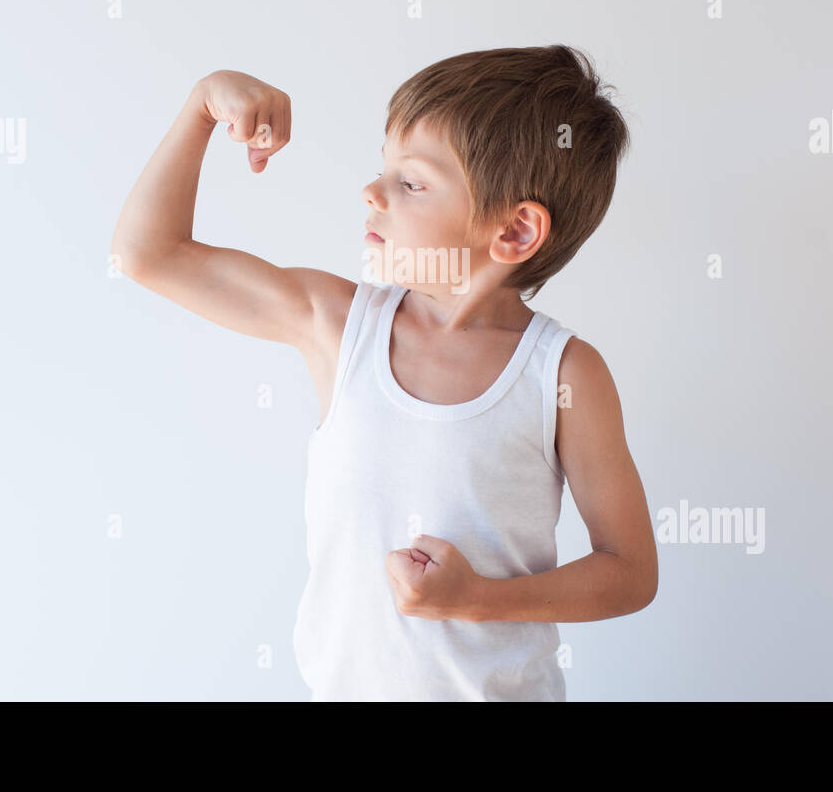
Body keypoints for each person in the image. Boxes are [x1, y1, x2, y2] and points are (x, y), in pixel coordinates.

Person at [111, 45, 658, 701]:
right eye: (384, 167)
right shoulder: (339, 325)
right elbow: (148, 254)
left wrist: (479, 599)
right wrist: (202, 106)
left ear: (514, 232)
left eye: (411, 182)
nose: (372, 192)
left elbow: (628, 571)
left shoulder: (564, 374)